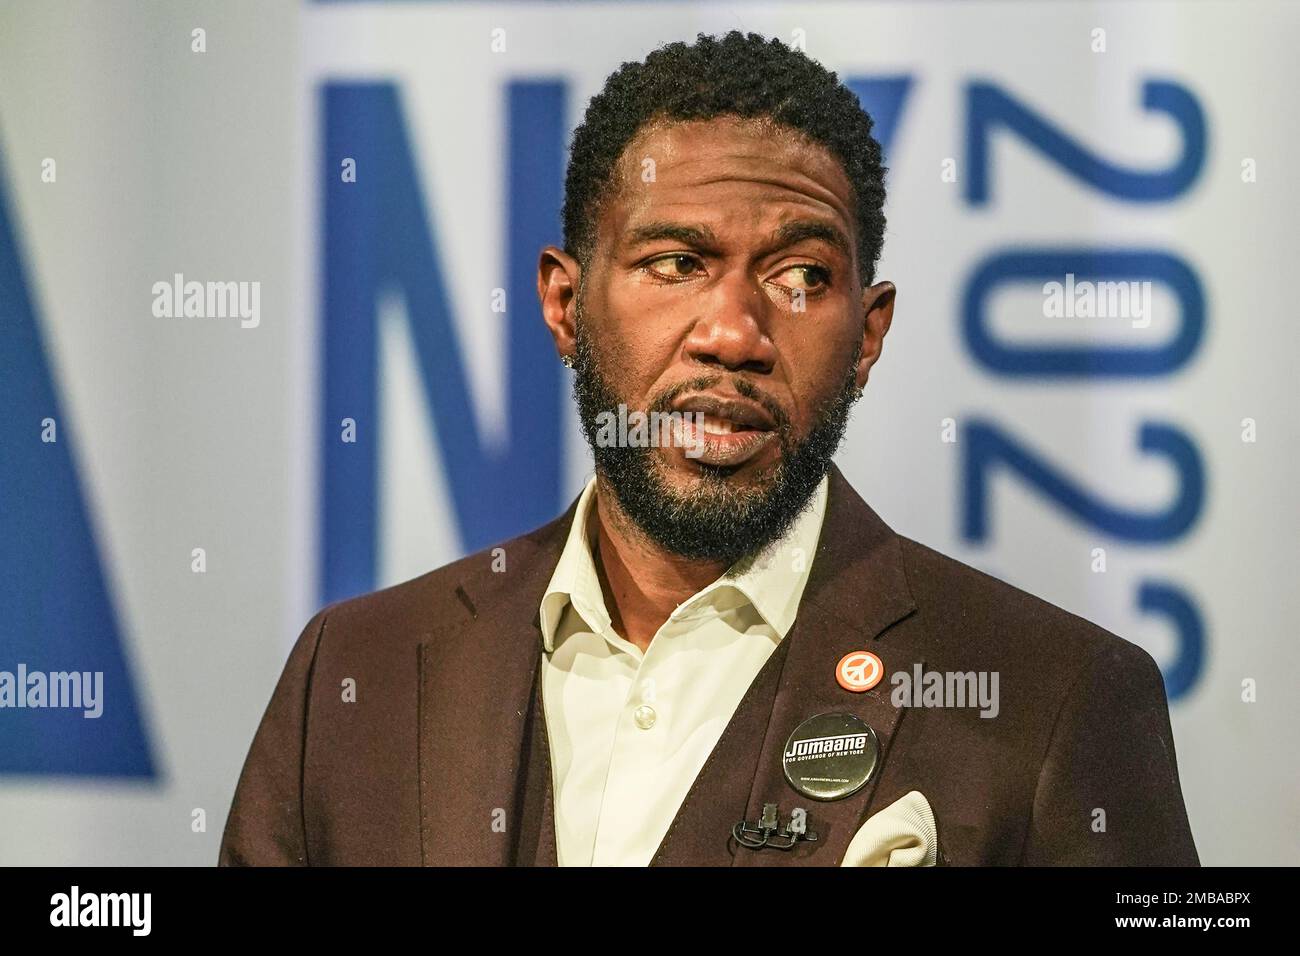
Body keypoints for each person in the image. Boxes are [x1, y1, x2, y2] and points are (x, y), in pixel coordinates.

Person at [220, 31, 1198, 867]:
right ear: (565, 305)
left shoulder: (1054, 701)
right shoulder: (354, 674)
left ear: (867, 335)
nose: (733, 330)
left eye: (801, 274)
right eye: (676, 263)